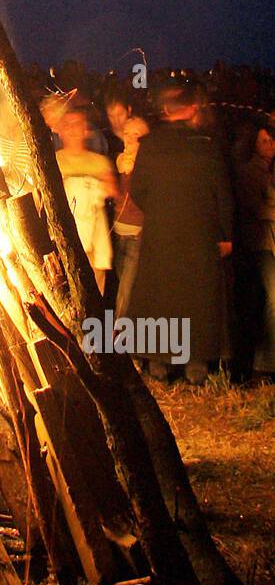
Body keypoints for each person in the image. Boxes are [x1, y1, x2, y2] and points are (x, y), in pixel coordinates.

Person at [126, 84, 233, 384]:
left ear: (166, 111)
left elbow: (138, 190)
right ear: (189, 109)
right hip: (199, 232)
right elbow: (222, 193)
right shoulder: (207, 144)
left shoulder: (149, 144)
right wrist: (225, 234)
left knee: (161, 293)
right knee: (196, 296)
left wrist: (161, 212)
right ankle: (195, 363)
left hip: (161, 232)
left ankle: (159, 362)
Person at [55, 106, 119, 293]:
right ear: (61, 130)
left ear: (86, 130)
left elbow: (113, 191)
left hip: (94, 242)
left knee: (94, 293)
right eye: (68, 125)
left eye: (78, 124)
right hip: (65, 244)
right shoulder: (53, 162)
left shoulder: (99, 162)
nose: (73, 129)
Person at [234, 124, 275, 376]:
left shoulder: (271, 172)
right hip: (260, 245)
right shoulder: (250, 172)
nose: (270, 145)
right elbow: (253, 208)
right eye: (264, 141)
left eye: (272, 140)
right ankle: (265, 362)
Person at [113, 115, 150, 316]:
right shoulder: (120, 161)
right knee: (123, 282)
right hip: (119, 231)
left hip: (137, 233)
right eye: (126, 133)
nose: (129, 138)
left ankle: (119, 332)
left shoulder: (147, 166)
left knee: (126, 288)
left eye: (136, 134)